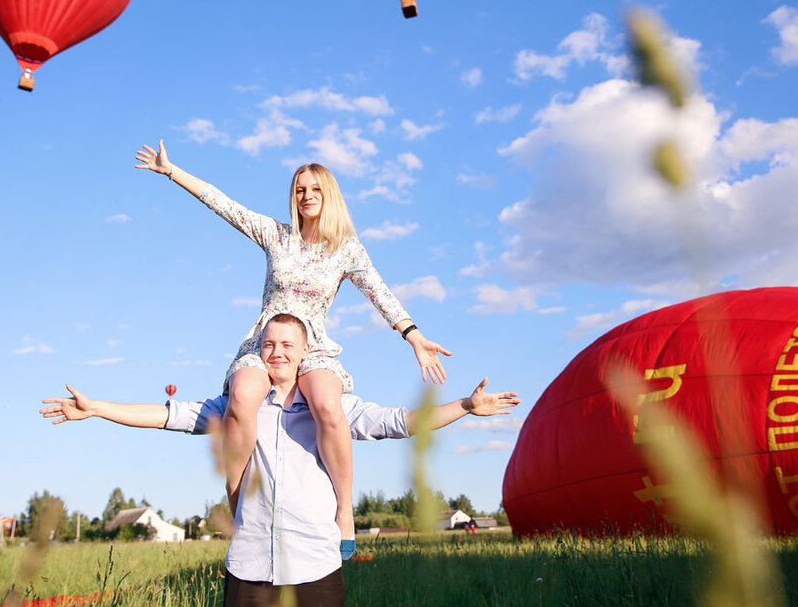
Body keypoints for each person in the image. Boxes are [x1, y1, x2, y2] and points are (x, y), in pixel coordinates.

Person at [41, 312, 520, 607]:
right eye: (268, 344)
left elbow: (399, 420)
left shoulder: (328, 410)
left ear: (305, 352)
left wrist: (465, 406)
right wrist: (97, 408)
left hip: (315, 564)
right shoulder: (236, 409)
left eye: (287, 345)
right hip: (248, 569)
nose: (276, 352)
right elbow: (167, 414)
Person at [135, 140, 453, 552]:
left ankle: (343, 511)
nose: (307, 196)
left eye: (315, 189)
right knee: (243, 397)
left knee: (327, 406)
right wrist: (172, 171)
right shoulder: (276, 235)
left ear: (329, 195)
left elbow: (379, 291)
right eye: (300, 189)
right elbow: (224, 204)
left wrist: (413, 335)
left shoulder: (346, 249)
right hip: (267, 343)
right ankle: (238, 501)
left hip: (313, 346)